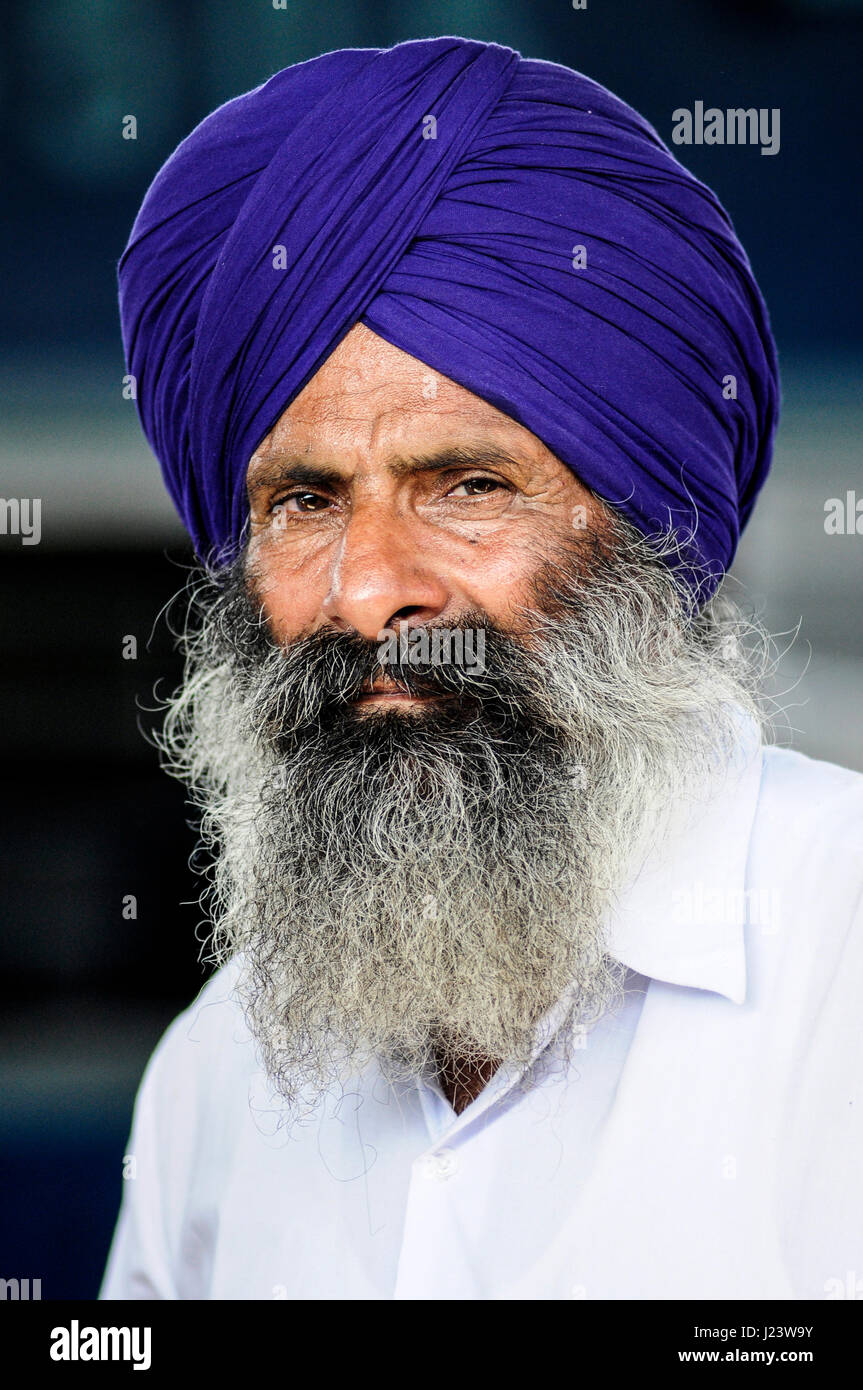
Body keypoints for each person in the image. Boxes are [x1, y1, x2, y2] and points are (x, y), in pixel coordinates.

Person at [100, 36, 862, 1300]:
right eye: (302, 500)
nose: (368, 588)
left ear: (643, 526)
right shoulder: (215, 1079)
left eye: (466, 487)